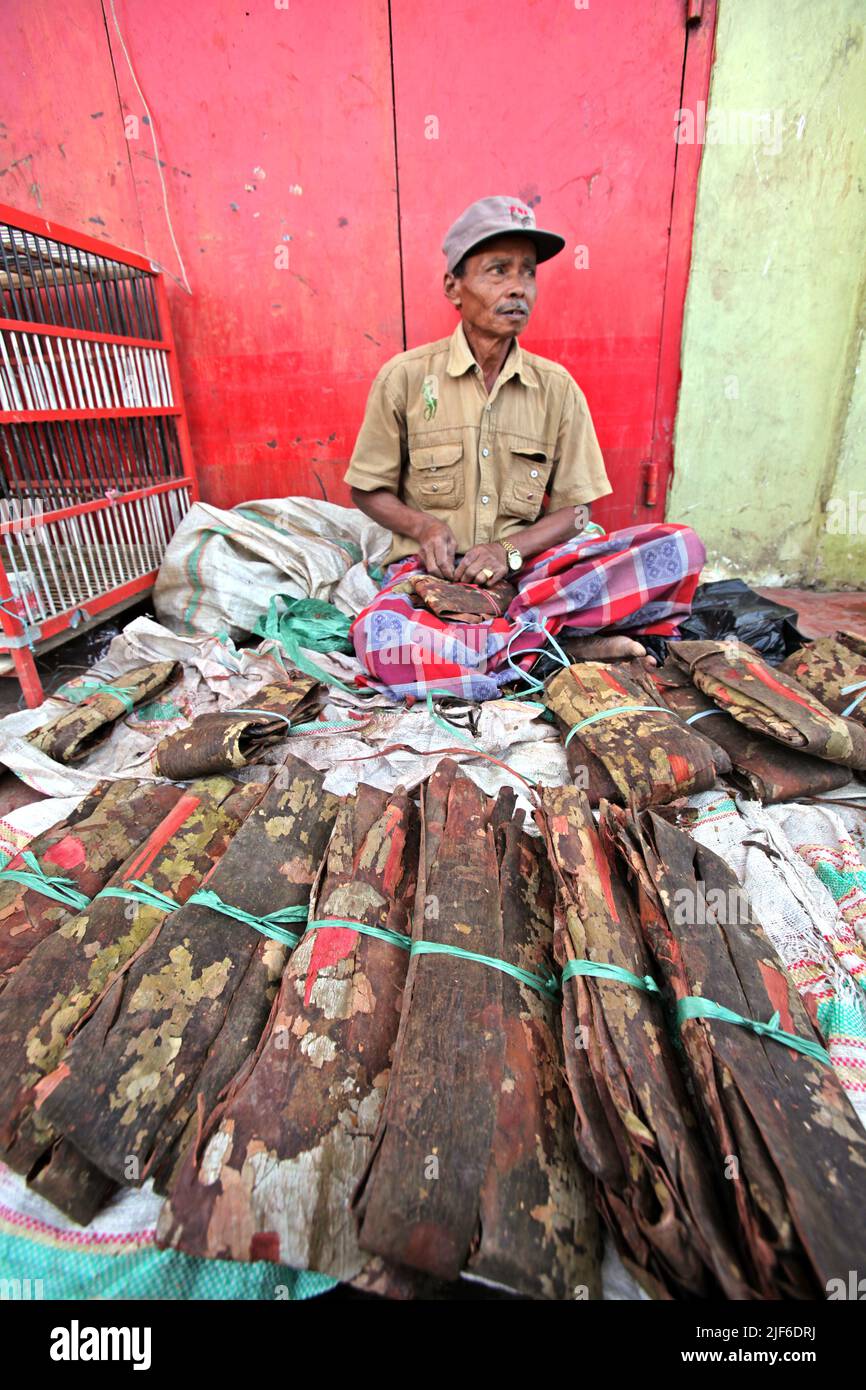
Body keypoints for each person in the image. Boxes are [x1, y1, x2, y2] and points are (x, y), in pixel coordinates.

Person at [344, 195, 705, 700]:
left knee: (679, 551)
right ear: (454, 286)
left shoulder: (555, 387)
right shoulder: (405, 379)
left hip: (534, 575)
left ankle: (508, 648)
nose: (518, 288)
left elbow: (578, 512)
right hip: (434, 579)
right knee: (383, 642)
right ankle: (564, 649)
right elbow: (368, 490)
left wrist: (509, 552)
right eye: (497, 271)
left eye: (528, 273)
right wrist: (424, 527)